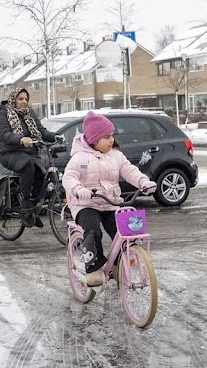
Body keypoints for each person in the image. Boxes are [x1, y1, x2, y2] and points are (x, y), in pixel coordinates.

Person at [63, 110, 157, 287]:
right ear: (94, 139)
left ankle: (118, 264)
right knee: (92, 229)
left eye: (112, 136)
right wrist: (78, 189)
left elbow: (129, 171)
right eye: (106, 137)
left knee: (125, 232)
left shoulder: (116, 156)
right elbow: (68, 178)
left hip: (110, 202)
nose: (111, 140)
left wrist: (143, 182)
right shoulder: (80, 158)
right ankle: (92, 267)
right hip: (85, 203)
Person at [0, 88, 61, 227]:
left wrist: (55, 136)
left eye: (26, 99)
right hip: (9, 152)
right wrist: (20, 139)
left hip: (29, 152)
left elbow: (41, 131)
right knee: (27, 165)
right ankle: (25, 201)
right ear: (13, 100)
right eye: (20, 99)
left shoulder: (29, 114)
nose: (24, 102)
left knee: (41, 174)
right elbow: (5, 134)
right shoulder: (3, 114)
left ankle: (31, 211)